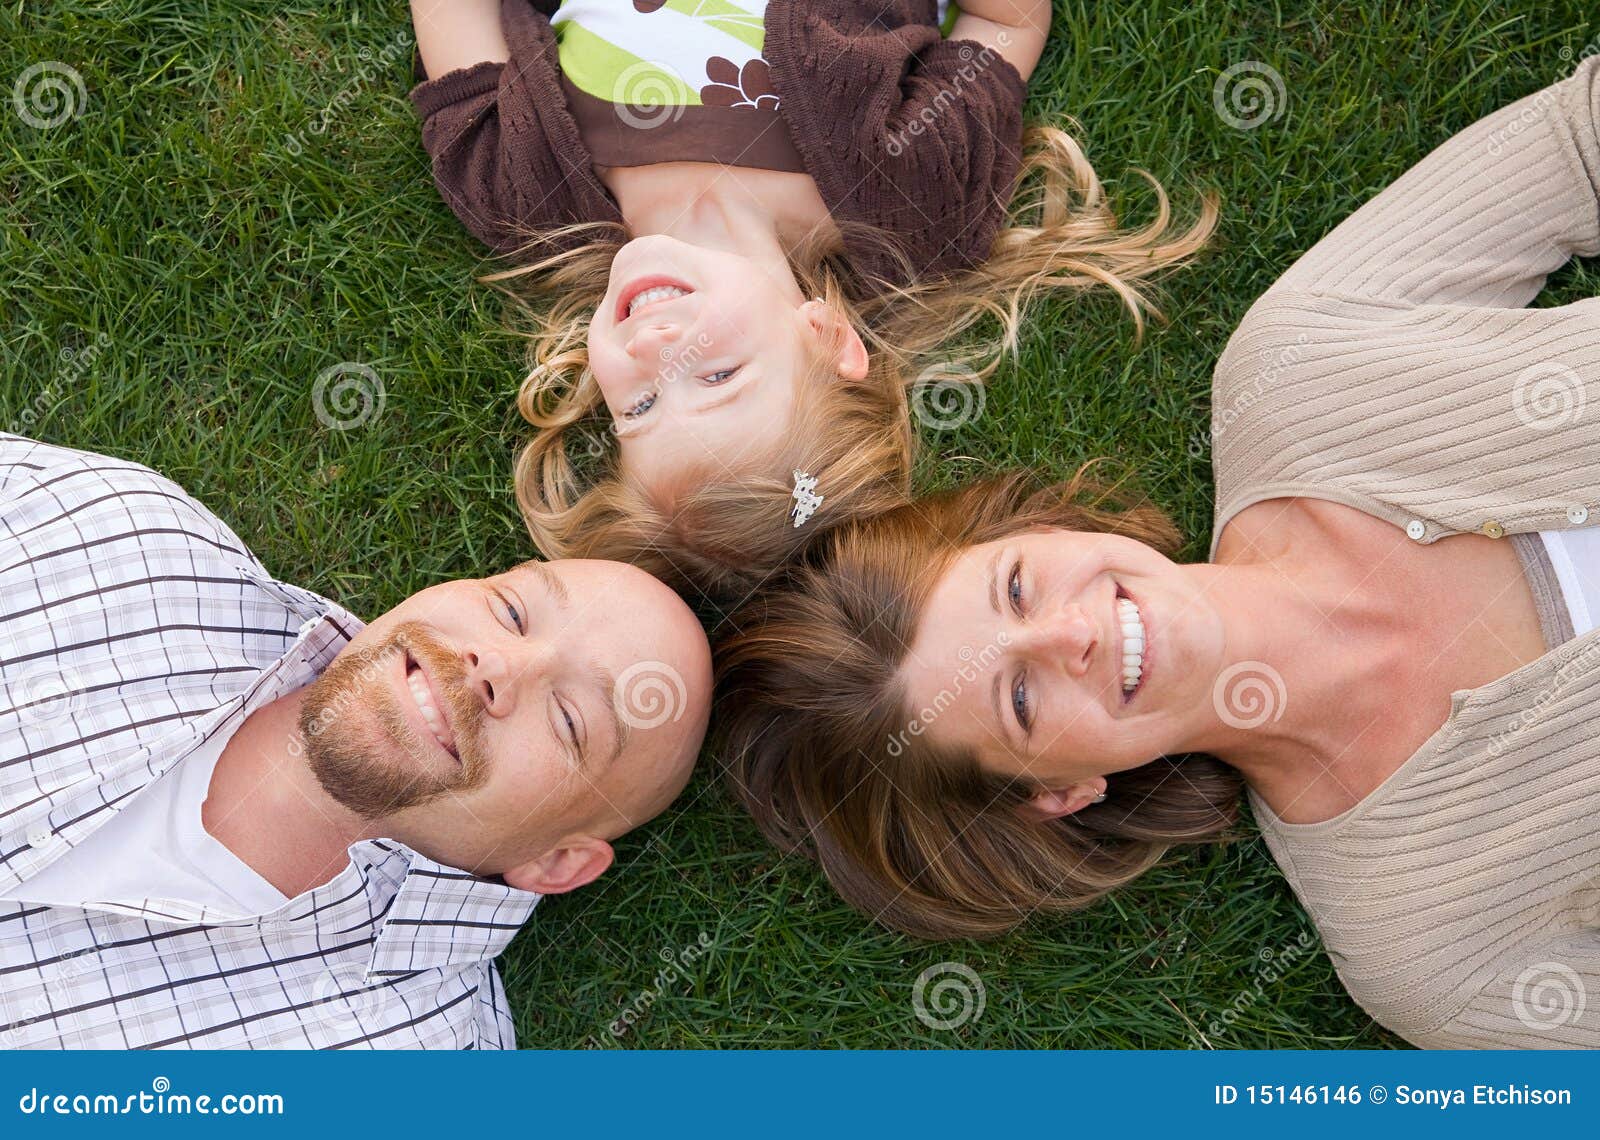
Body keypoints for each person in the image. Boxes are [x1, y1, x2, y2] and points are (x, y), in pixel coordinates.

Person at [714, 60, 1600, 1048]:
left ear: (1042, 531)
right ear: (1060, 792)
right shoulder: (1429, 944)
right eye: (1018, 697)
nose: (1071, 631)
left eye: (1017, 586)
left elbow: (1577, 140)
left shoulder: (1300, 373)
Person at [407, 0, 1214, 599]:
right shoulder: (911, 192)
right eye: (716, 376)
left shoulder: (527, 192)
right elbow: (1001, 26)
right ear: (829, 338)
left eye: (640, 406)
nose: (655, 351)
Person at [0, 433, 711, 1048]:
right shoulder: (114, 534)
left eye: (567, 720)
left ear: (555, 863)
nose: (495, 665)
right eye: (512, 610)